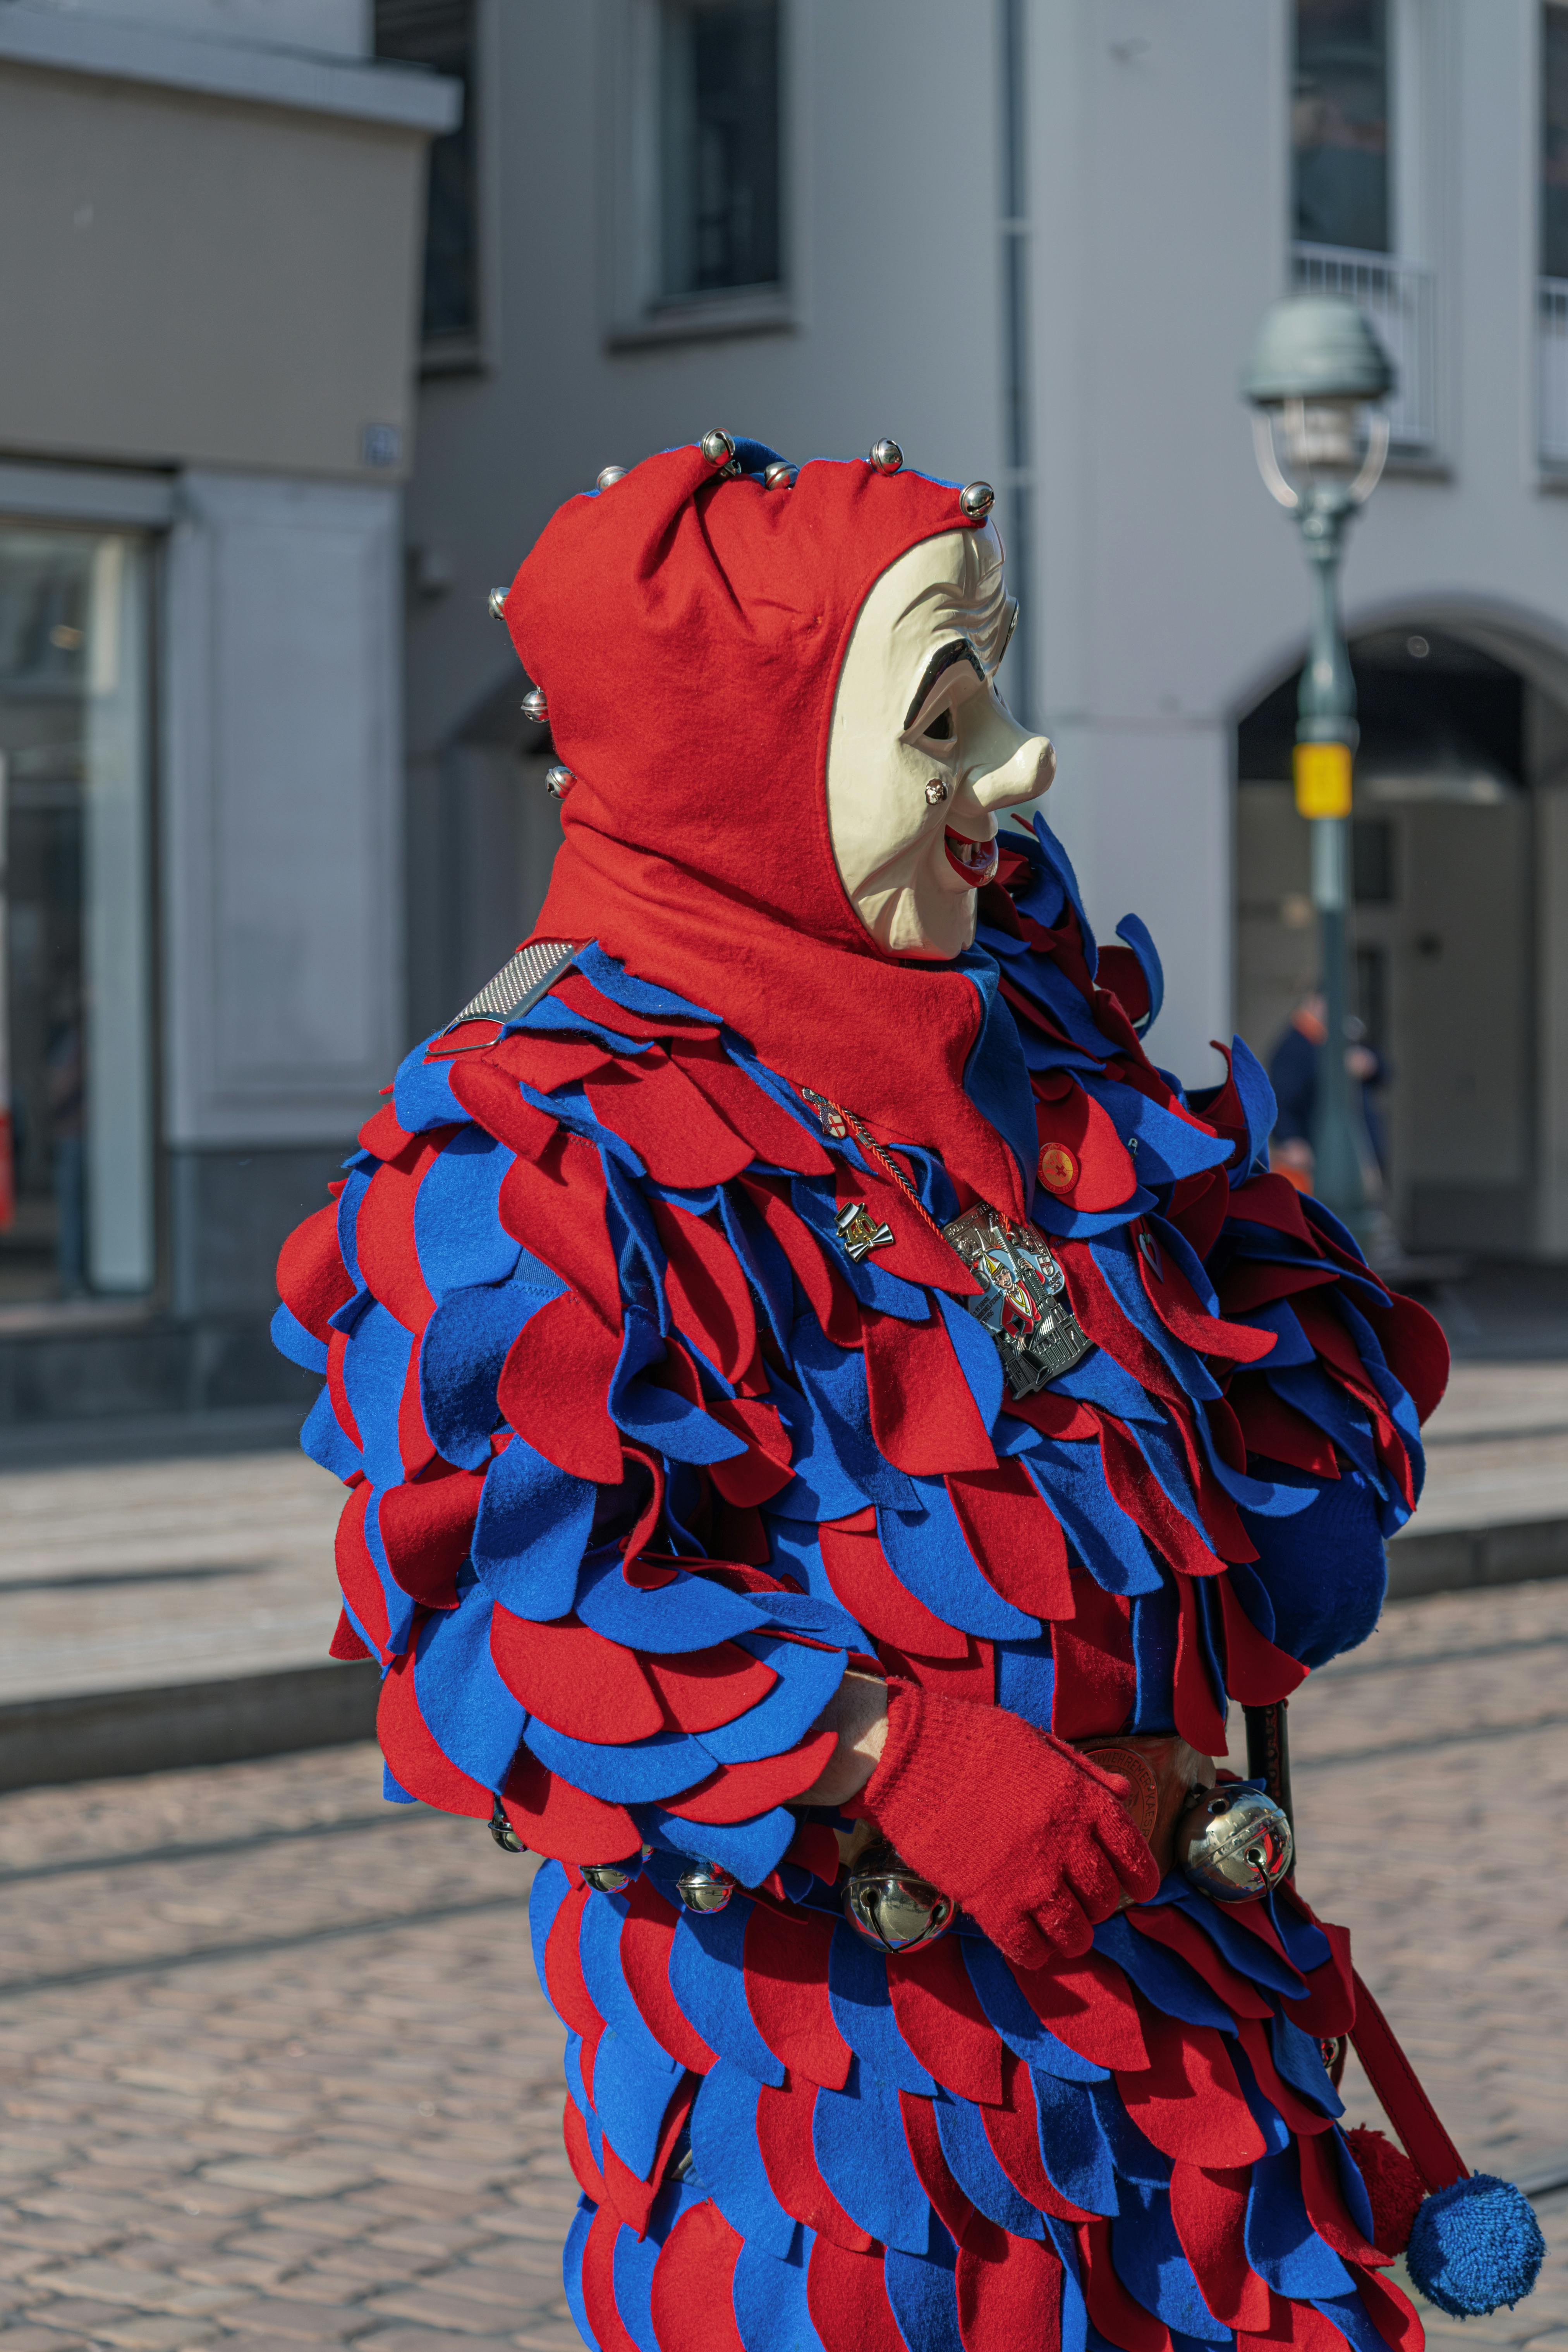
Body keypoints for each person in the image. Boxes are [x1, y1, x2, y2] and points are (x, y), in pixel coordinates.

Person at [275, 441, 1463, 2352]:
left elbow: (1254, 1254)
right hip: (846, 2078)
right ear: (744, 747)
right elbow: (504, 1613)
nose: (1014, 760)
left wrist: (1303, 1464)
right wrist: (889, 1752)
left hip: (1192, 2024)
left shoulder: (1026, 1001)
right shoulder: (532, 1143)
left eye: (990, 684)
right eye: (939, 708)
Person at [1268, 988, 1386, 1193]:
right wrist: (1290, 1138)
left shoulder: (1340, 1038)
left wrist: (1368, 1064)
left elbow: (1383, 1070)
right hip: (1318, 1156)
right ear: (1313, 1003)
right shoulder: (1294, 1047)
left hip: (1354, 1151)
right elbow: (1282, 1100)